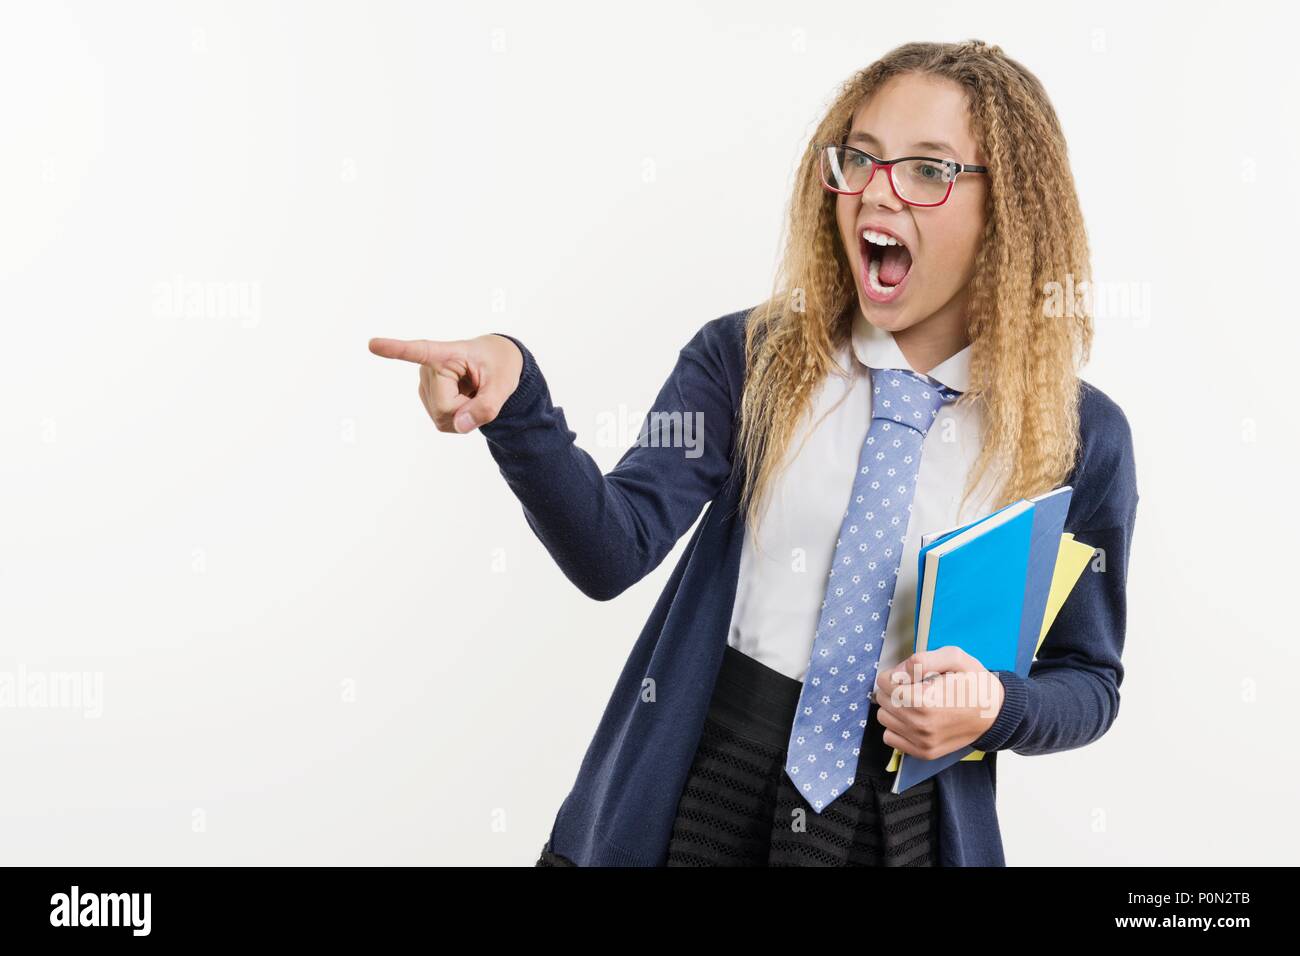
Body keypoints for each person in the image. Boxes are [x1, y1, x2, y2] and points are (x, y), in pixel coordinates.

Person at [369, 39, 1139, 866]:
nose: (879, 193)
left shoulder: (1079, 438)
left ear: (1011, 211)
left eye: (927, 171)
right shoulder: (748, 361)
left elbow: (1088, 681)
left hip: (899, 828)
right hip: (703, 791)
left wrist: (994, 708)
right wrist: (518, 406)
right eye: (861, 159)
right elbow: (609, 550)